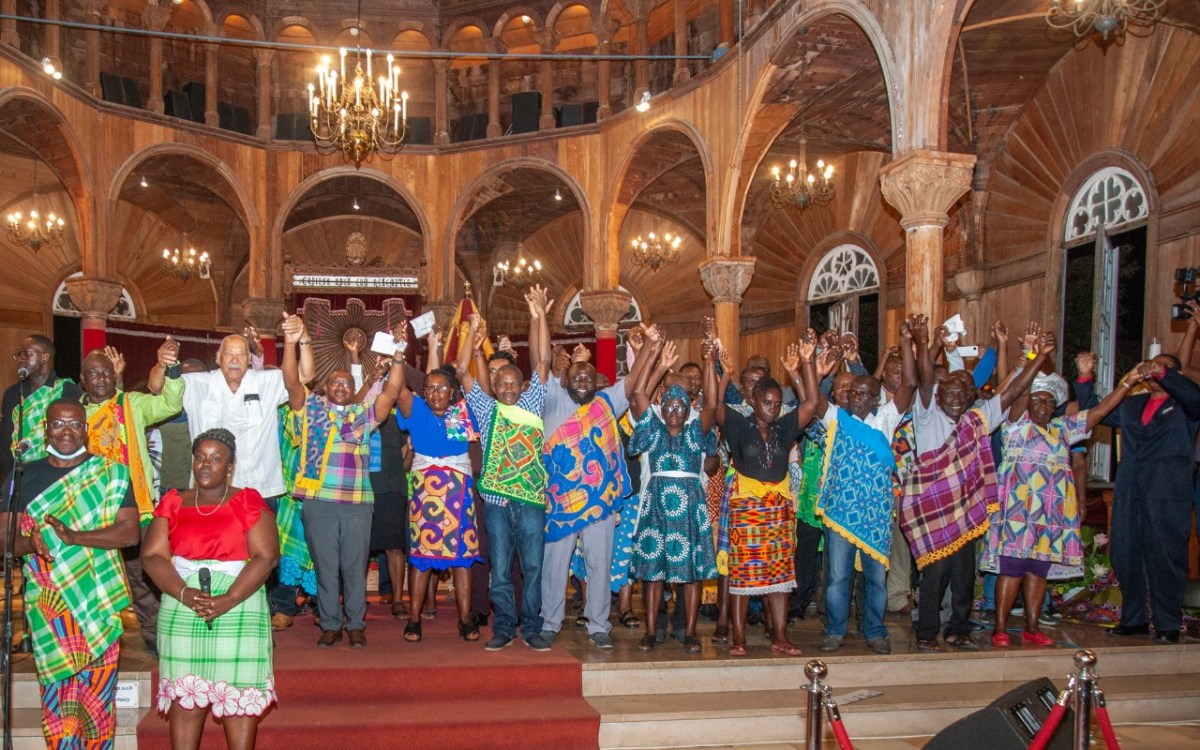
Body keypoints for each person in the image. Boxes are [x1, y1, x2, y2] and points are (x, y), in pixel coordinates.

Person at [901, 320, 1053, 652]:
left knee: (963, 574)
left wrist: (1038, 358)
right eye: (948, 393)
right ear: (937, 396)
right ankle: (927, 631)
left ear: (972, 397)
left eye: (961, 394)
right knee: (934, 573)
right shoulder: (926, 412)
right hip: (932, 509)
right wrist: (925, 341)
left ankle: (958, 628)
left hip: (966, 511)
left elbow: (1012, 391)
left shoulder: (977, 418)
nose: (954, 399)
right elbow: (924, 379)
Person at [0, 399, 139, 747]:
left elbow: (129, 532)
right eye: (58, 424)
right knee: (57, 696)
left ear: (86, 430)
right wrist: (32, 543)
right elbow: (4, 538)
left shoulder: (112, 472)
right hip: (49, 604)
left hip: (97, 597)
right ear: (46, 428)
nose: (66, 431)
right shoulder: (24, 475)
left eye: (75, 424)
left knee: (96, 700)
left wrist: (75, 538)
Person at [985, 360, 1141, 647]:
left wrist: (1127, 382)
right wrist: (1031, 357)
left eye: (1048, 401)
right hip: (1018, 515)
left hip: (1050, 515)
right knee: (1012, 571)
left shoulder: (1064, 428)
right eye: (1037, 399)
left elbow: (1100, 411)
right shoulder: (1015, 426)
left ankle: (1032, 627)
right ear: (1028, 402)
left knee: (1038, 572)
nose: (1043, 405)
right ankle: (1000, 627)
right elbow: (1016, 393)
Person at [140, 428, 280, 749]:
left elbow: (267, 556)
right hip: (182, 604)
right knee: (187, 697)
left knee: (239, 697)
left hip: (239, 604)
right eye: (200, 457)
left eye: (216, 459)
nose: (206, 464)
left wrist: (228, 599)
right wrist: (185, 593)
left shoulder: (247, 500)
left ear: (230, 466)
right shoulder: (174, 501)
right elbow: (152, 555)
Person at [179, 314, 313, 630]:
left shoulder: (265, 381)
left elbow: (304, 375)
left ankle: (257, 615)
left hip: (261, 488)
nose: (236, 359)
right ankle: (219, 611)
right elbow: (159, 389)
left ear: (248, 359)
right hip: (213, 492)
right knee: (218, 555)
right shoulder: (198, 383)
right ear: (218, 358)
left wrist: (300, 339)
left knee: (262, 557)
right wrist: (161, 366)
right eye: (229, 353)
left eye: (241, 353)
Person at [537, 324, 657, 650]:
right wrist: (540, 317)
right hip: (560, 504)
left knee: (599, 566)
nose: (583, 383)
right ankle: (549, 622)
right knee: (554, 566)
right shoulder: (552, 400)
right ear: (565, 381)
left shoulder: (606, 402)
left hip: (599, 504)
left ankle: (599, 625)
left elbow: (632, 383)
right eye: (576, 378)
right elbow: (542, 359)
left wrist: (647, 346)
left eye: (588, 379)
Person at [283, 329, 404, 648]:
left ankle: (356, 624)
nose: (340, 386)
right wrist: (289, 343)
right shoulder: (311, 410)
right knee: (325, 568)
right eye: (334, 382)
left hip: (357, 505)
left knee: (354, 567)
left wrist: (399, 356)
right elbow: (292, 383)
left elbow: (390, 393)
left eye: (346, 383)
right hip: (319, 503)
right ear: (326, 388)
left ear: (354, 390)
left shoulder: (363, 414)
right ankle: (330, 624)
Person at [802, 318, 916, 655]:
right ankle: (836, 629)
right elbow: (813, 398)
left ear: (876, 398)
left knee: (875, 580)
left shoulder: (886, 420)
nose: (856, 397)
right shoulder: (838, 418)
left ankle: (876, 630)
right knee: (837, 578)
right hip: (839, 513)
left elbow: (909, 384)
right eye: (852, 393)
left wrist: (909, 343)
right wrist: (812, 362)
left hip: (875, 514)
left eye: (863, 393)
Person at [457, 286, 552, 651]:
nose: (509, 388)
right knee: (499, 568)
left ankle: (531, 627)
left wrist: (537, 316)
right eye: (503, 383)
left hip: (530, 501)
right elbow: (462, 371)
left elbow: (542, 360)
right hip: (496, 501)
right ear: (494, 386)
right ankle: (504, 626)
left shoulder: (532, 401)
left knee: (532, 568)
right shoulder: (484, 408)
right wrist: (470, 333)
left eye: (514, 382)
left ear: (521, 385)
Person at [80, 339, 184, 655]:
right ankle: (93, 640)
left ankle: (155, 636)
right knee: (91, 580)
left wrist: (172, 368)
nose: (100, 379)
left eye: (106, 372)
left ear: (115, 375)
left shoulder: (133, 404)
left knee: (144, 578)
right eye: (93, 374)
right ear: (82, 380)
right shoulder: (75, 414)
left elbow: (170, 404)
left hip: (136, 510)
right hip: (90, 513)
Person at [714, 342, 815, 656]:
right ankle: (739, 638)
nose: (773, 408)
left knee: (780, 577)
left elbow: (810, 403)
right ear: (753, 400)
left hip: (778, 509)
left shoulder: (784, 428)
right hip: (746, 508)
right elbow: (715, 405)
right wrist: (722, 371)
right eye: (767, 403)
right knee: (743, 577)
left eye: (777, 403)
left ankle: (780, 637)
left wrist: (799, 370)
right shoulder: (738, 426)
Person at [627, 337, 718, 653]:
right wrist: (659, 363)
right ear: (662, 408)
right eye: (669, 405)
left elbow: (713, 405)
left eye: (681, 405)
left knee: (690, 574)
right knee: (653, 574)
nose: (675, 410)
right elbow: (638, 393)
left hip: (690, 506)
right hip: (656, 507)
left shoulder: (697, 429)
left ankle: (691, 632)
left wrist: (709, 360)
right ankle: (651, 631)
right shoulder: (652, 427)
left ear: (688, 408)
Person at [1102, 353, 1200, 644]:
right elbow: (1101, 412)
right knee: (1124, 552)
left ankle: (1167, 623)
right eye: (1152, 365)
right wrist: (1084, 380)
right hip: (1130, 489)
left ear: (1176, 375)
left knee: (1166, 557)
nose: (1153, 370)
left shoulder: (1185, 406)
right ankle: (1133, 619)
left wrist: (1165, 374)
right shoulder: (1134, 403)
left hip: (1166, 493)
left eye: (1163, 367)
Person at [394, 328, 483, 642]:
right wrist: (396, 355)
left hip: (459, 493)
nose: (434, 393)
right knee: (421, 557)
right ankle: (414, 620)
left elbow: (464, 374)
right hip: (425, 493)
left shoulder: (462, 411)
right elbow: (399, 389)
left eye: (440, 388)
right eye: (429, 388)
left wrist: (470, 339)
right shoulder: (415, 410)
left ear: (451, 392)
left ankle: (465, 620)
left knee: (463, 559)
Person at [2, 334, 81, 479]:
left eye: (26, 353)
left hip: (56, 476)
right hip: (19, 476)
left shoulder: (68, 391)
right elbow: (5, 441)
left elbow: (75, 439)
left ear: (45, 357)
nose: (21, 359)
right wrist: (10, 480)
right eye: (19, 354)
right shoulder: (13, 393)